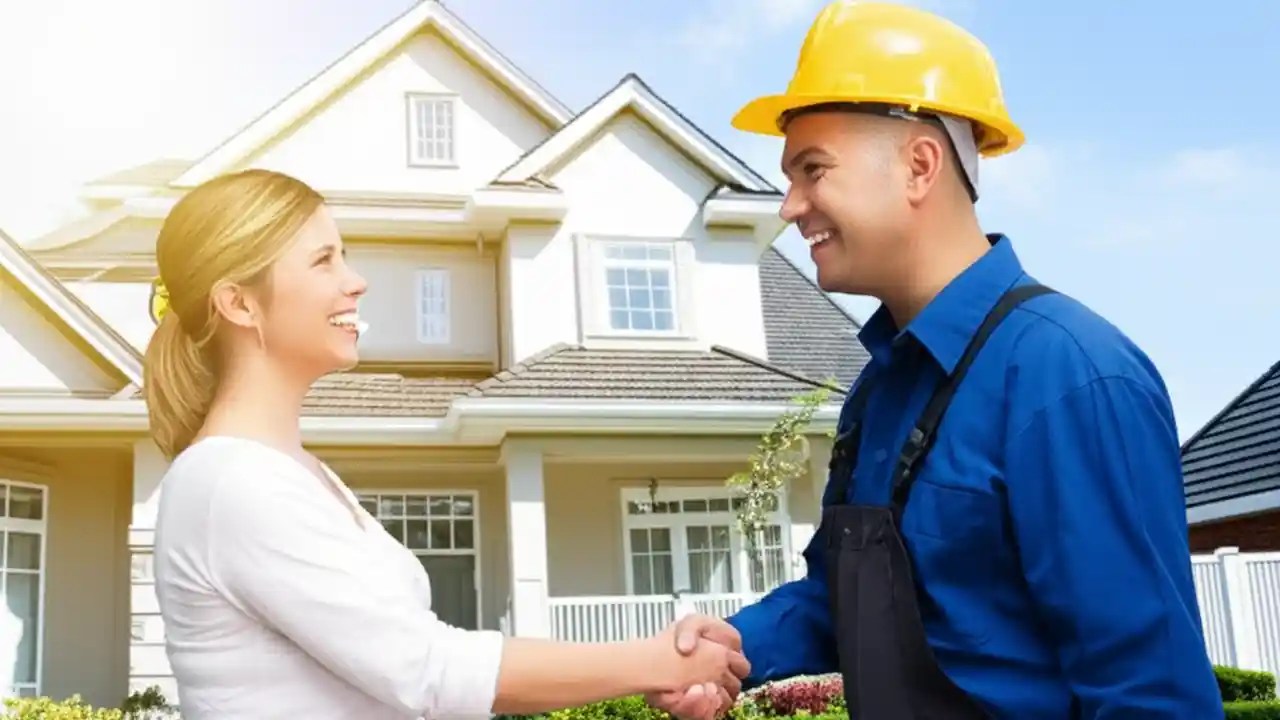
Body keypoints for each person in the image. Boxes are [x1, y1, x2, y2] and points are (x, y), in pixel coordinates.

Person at [649, 2, 1223, 718]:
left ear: (919, 165)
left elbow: (1150, 695)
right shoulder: (881, 390)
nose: (791, 205)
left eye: (813, 169)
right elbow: (842, 600)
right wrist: (732, 643)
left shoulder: (1067, 375)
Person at [143, 168, 748, 720]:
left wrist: (647, 668)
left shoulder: (293, 475)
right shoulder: (233, 483)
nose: (355, 282)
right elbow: (428, 670)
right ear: (238, 302)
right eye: (323, 260)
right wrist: (659, 660)